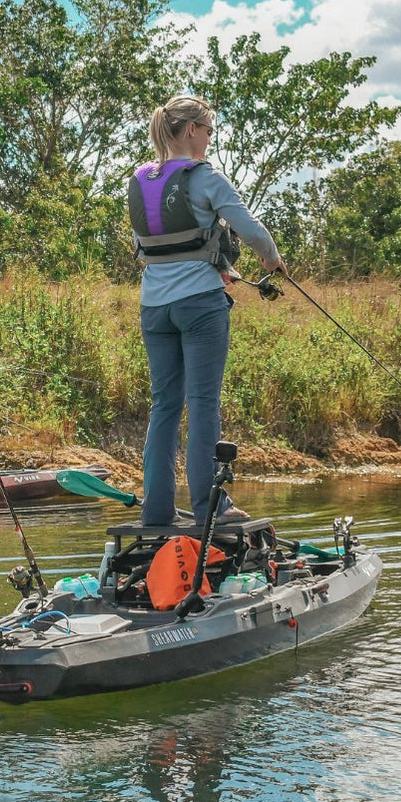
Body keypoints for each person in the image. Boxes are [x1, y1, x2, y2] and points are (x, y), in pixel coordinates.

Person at [128, 95, 287, 526]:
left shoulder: (140, 179)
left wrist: (221, 267)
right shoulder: (205, 177)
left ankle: (156, 512)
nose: (211, 140)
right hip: (200, 306)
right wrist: (273, 261)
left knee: (164, 406)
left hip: (154, 309)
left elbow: (164, 246)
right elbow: (250, 229)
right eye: (210, 131)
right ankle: (209, 508)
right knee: (202, 404)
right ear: (193, 130)